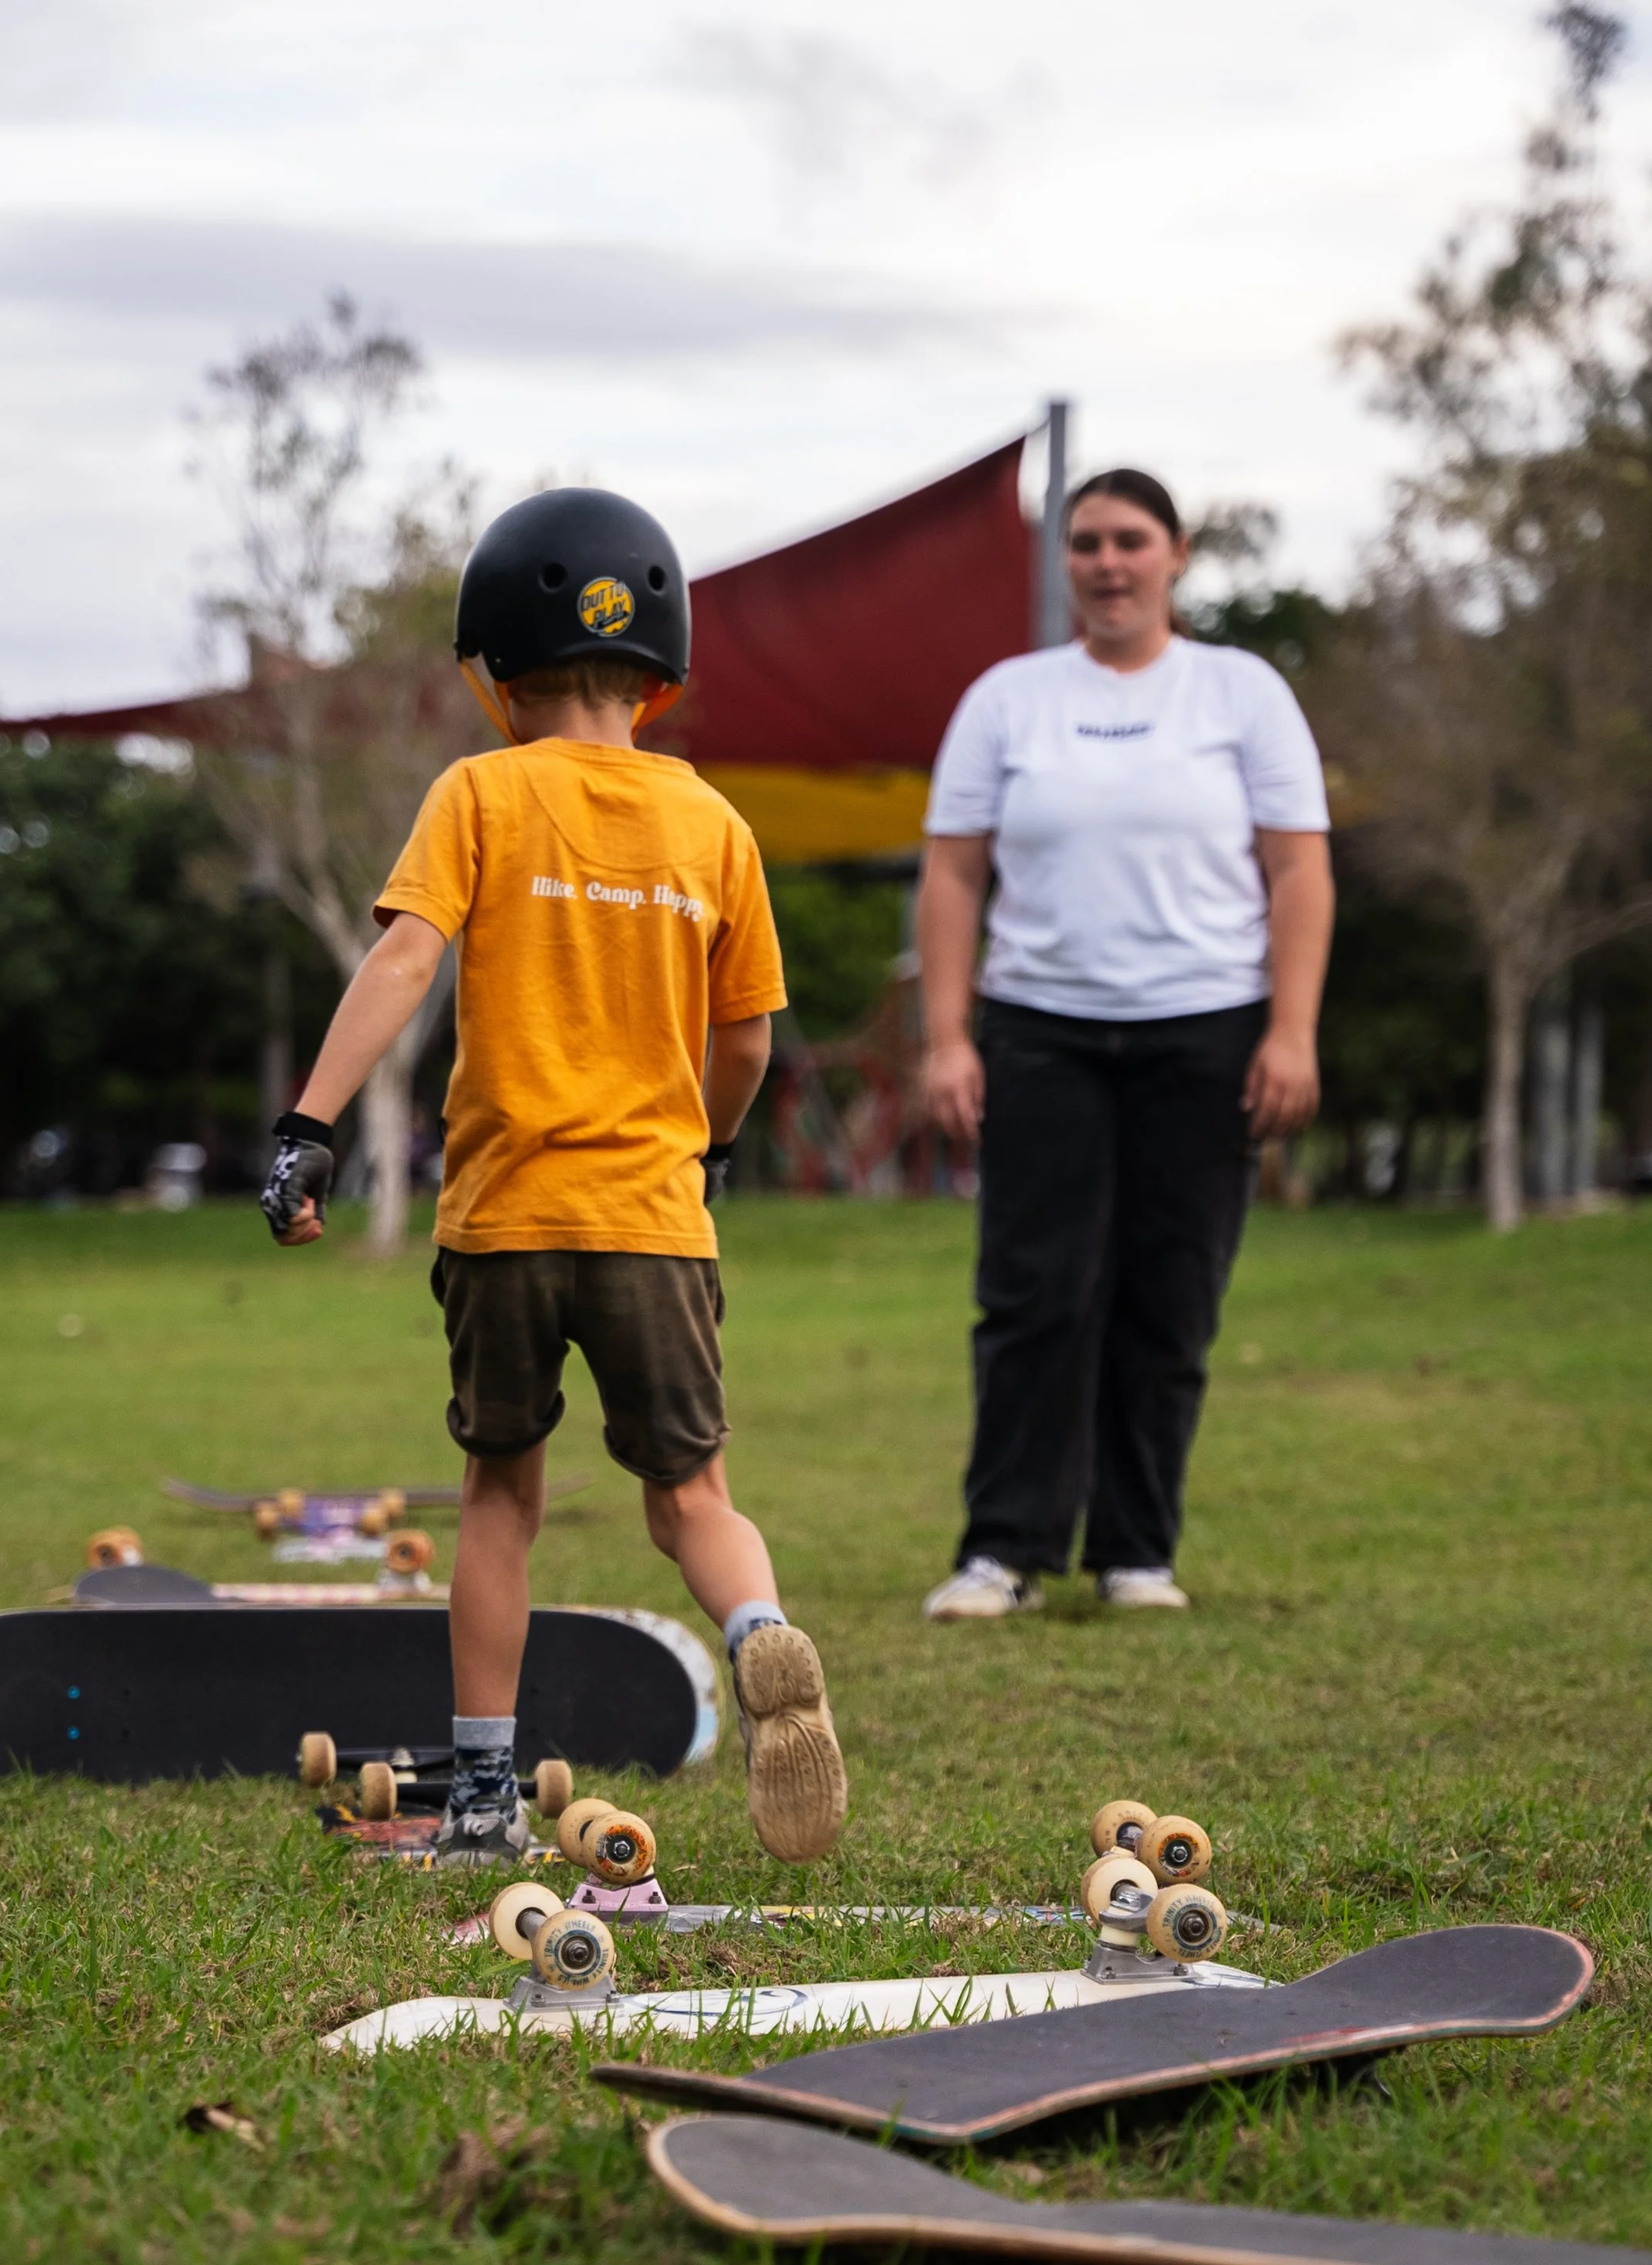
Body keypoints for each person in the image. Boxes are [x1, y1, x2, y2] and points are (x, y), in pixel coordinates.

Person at [259, 487, 849, 1867]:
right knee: (692, 1497)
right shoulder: (714, 827)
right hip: (655, 1216)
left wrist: (310, 1123)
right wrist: (697, 1145)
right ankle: (762, 1633)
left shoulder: (479, 792)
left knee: (500, 1497)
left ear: (495, 669)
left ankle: (476, 1796)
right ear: (662, 674)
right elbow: (748, 1040)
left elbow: (405, 960)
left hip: (508, 1217)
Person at [916, 466, 1334, 1619]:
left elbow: (1298, 868)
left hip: (1205, 1028)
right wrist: (950, 1037)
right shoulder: (1009, 698)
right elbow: (954, 875)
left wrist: (1291, 1029)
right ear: (1066, 561)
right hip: (1041, 1030)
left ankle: (1136, 1552)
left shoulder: (1241, 693)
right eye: (1087, 541)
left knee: (1170, 1294)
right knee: (1034, 1294)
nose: (1109, 562)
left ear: (1177, 553)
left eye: (1130, 541)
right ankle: (1001, 1551)